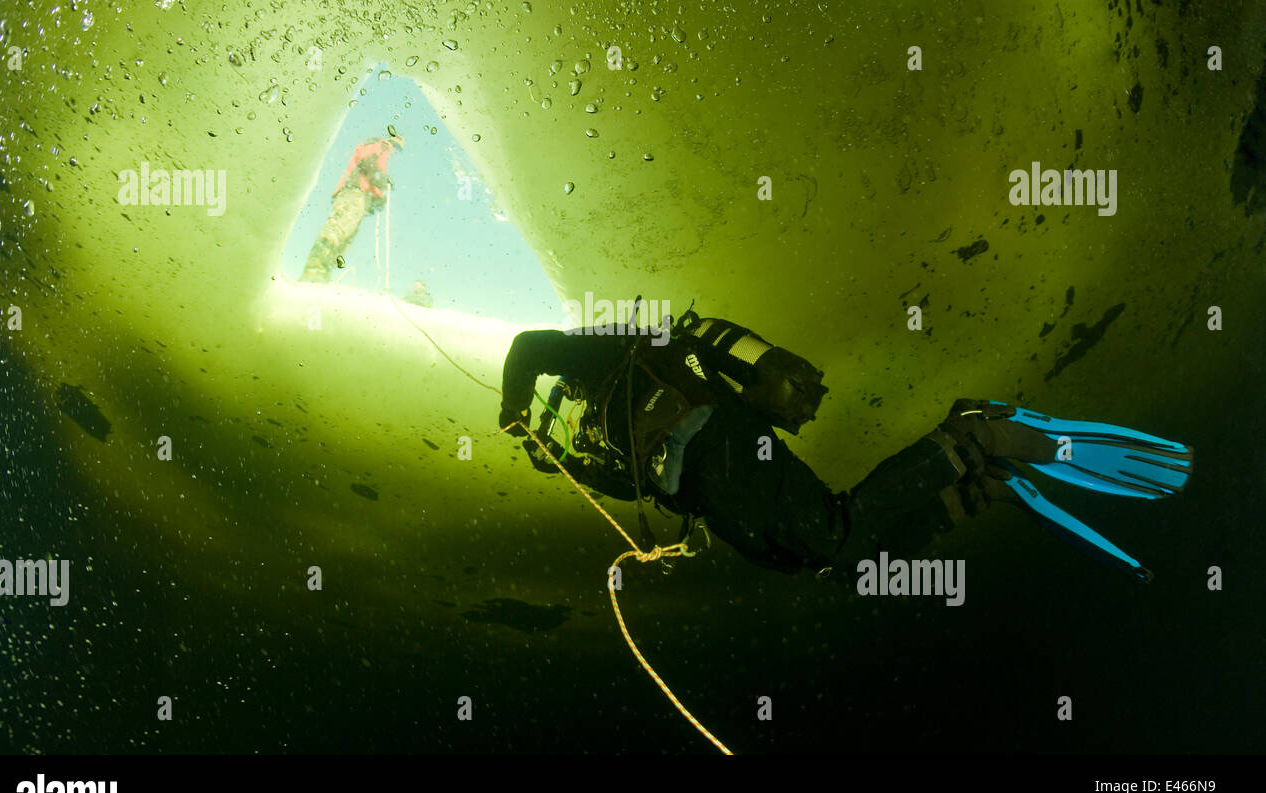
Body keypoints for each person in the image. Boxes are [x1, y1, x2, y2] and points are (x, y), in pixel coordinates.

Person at [497, 309, 1192, 580]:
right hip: (707, 488)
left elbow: (528, 345)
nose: (575, 411)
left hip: (721, 442)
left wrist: (510, 410)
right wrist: (562, 459)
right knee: (829, 564)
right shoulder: (600, 430)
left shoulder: (605, 353)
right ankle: (965, 493)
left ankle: (969, 436)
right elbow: (637, 487)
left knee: (830, 533)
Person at [301, 135, 404, 283]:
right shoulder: (379, 145)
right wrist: (382, 179)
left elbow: (372, 177)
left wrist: (378, 197)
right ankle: (314, 270)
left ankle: (322, 275)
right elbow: (366, 162)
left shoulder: (383, 154)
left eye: (398, 148)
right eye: (395, 145)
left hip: (361, 197)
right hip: (353, 191)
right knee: (339, 229)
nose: (395, 149)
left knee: (345, 239)